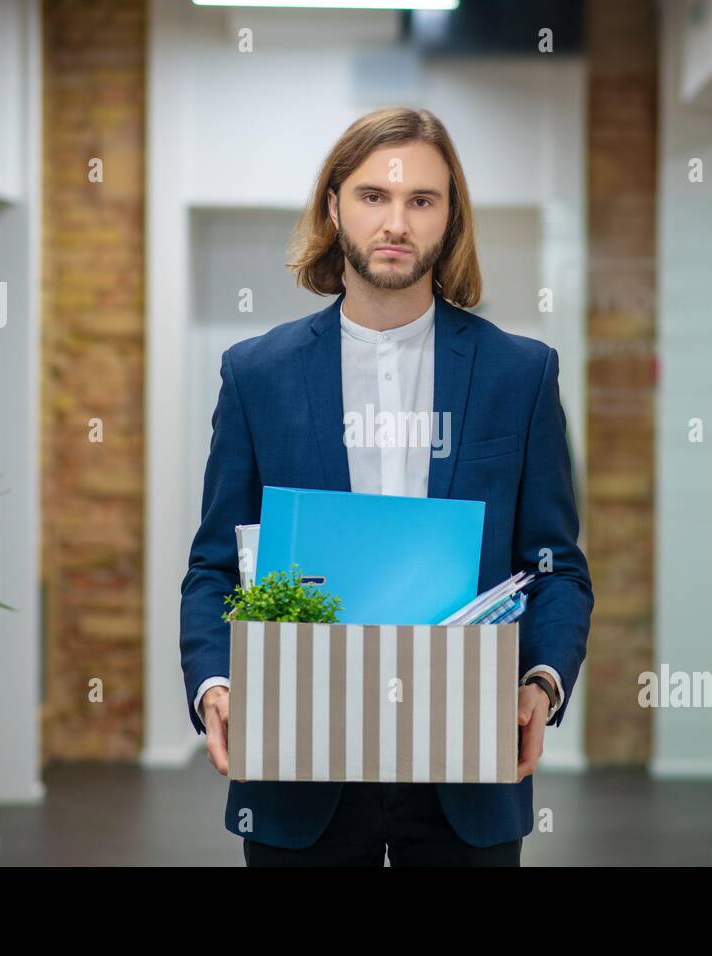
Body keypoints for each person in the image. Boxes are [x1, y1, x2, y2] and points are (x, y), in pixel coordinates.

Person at [180, 107, 593, 866]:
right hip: (298, 765)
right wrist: (214, 683)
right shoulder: (257, 374)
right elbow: (212, 567)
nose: (396, 222)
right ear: (334, 208)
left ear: (450, 217)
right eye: (374, 196)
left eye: (421, 200)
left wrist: (541, 682)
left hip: (468, 768)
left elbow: (555, 566)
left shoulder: (521, 374)